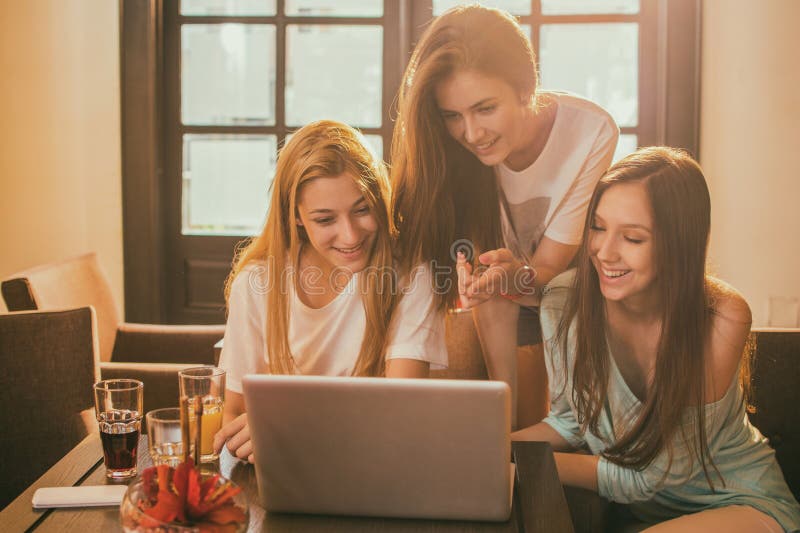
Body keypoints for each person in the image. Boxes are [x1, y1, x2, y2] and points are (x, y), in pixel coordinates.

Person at [512, 147, 800, 532]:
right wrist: (492, 446)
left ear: (677, 243)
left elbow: (652, 477)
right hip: (645, 519)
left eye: (632, 237)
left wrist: (516, 464)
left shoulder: (721, 317)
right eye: (597, 227)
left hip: (742, 503)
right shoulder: (565, 299)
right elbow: (571, 422)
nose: (603, 252)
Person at [391, 4, 619, 428]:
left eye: (485, 108)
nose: (472, 134)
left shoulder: (590, 132)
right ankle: (508, 434)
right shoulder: (448, 150)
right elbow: (448, 259)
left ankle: (517, 441)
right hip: (484, 292)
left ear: (525, 87)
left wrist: (514, 276)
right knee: (490, 291)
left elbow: (550, 266)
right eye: (452, 116)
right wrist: (476, 276)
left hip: (553, 287)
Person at [214, 120, 447, 463]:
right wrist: (269, 435)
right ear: (295, 216)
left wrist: (291, 425)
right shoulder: (256, 283)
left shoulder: (412, 275)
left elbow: (402, 411)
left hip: (377, 468)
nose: (350, 236)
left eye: (362, 209)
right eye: (325, 220)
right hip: (285, 471)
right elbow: (232, 415)